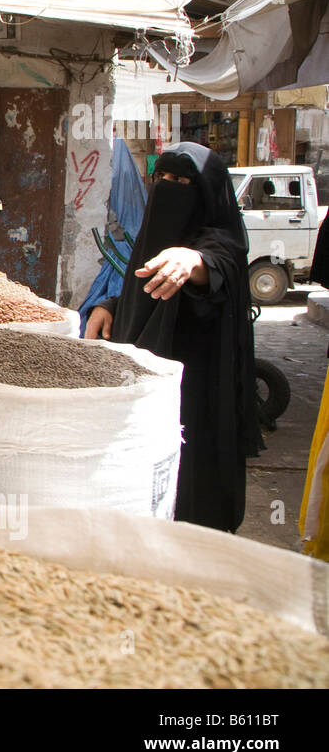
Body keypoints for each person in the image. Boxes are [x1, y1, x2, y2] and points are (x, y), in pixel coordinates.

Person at [85, 142, 262, 531]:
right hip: (143, 395)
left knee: (190, 500)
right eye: (161, 178)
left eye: (181, 180)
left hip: (196, 398)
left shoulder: (222, 241)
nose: (168, 187)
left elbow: (213, 262)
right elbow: (144, 287)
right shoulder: (153, 235)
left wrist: (192, 260)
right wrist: (112, 306)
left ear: (207, 190)